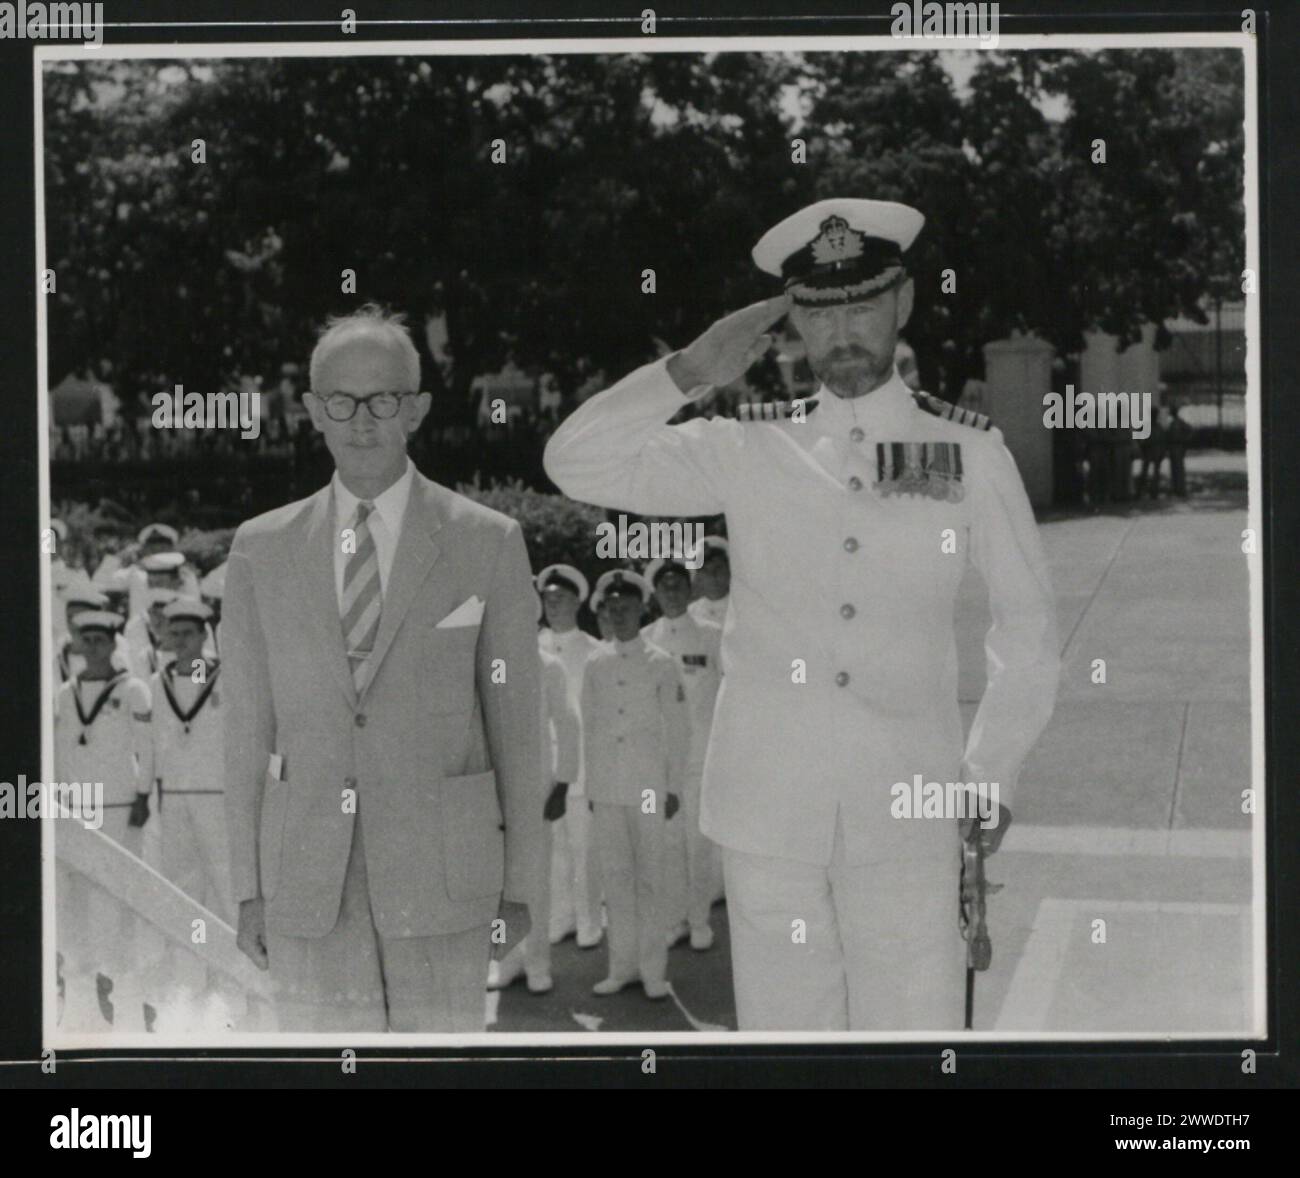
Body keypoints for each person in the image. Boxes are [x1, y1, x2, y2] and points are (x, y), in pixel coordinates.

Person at [544, 198, 1060, 1030]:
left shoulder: (968, 453)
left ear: (905, 303)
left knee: (910, 1038)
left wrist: (988, 774)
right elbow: (574, 460)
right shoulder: (747, 446)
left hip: (909, 808)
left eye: (863, 305)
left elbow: (1029, 633)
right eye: (818, 314)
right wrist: (689, 371)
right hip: (767, 817)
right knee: (788, 1048)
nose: (843, 332)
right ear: (791, 326)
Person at [223, 304, 545, 1032]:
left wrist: (522, 885)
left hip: (446, 886)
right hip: (306, 883)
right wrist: (248, 889)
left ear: (418, 409)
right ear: (312, 411)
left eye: (385, 400)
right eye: (341, 401)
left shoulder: (487, 543)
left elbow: (519, 733)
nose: (362, 421)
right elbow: (245, 732)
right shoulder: (259, 550)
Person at [580, 570, 689, 999]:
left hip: (647, 786)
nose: (620, 615)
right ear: (604, 612)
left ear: (642, 609)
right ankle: (621, 967)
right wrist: (591, 786)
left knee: (650, 878)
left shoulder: (661, 662)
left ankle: (653, 971)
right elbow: (589, 726)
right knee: (616, 877)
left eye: (627, 608)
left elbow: (678, 730)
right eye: (612, 608)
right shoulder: (595, 662)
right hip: (607, 787)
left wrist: (673, 786)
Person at [642, 554, 723, 951]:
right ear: (655, 594)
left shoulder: (712, 635)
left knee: (699, 842)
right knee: (669, 845)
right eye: (664, 586)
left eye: (678, 583)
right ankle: (674, 919)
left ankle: (700, 920)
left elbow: (729, 695)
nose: (671, 591)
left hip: (704, 756)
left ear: (690, 588)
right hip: (663, 762)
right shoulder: (645, 639)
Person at [488, 645, 580, 994]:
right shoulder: (491, 658)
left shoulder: (549, 664)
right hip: (495, 789)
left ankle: (538, 964)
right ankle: (505, 962)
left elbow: (567, 723)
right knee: (498, 886)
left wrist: (563, 782)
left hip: (536, 790)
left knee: (536, 883)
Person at [150, 599, 233, 923]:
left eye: (188, 633)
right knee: (180, 883)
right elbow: (156, 741)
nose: (181, 641)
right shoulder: (159, 682)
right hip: (174, 795)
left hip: (215, 792)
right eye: (175, 634)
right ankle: (184, 968)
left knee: (224, 881)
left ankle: (234, 969)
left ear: (203, 636)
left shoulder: (225, 677)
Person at [535, 563, 604, 948]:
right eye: (548, 598)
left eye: (562, 598)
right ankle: (559, 918)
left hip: (581, 770)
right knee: (554, 851)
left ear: (578, 601)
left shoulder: (593, 651)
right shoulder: (533, 649)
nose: (554, 604)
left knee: (584, 849)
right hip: (543, 765)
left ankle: (590, 921)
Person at [688, 537, 730, 627]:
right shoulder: (692, 612)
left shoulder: (743, 604)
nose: (712, 576)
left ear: (728, 570)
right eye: (705, 570)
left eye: (717, 568)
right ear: (698, 577)